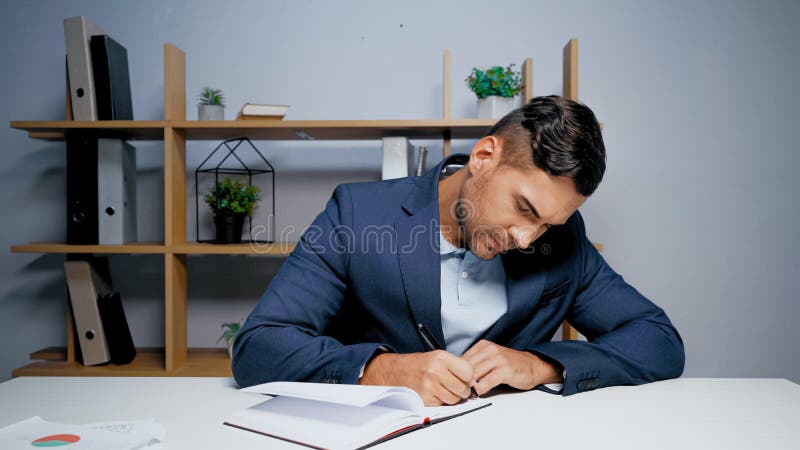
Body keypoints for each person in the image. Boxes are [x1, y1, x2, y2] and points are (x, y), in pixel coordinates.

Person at [232, 95, 684, 405]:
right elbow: (258, 347)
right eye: (524, 208)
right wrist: (383, 371)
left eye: (548, 222)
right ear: (484, 156)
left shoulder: (561, 240)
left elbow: (659, 341)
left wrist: (540, 364)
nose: (529, 238)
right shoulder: (357, 214)